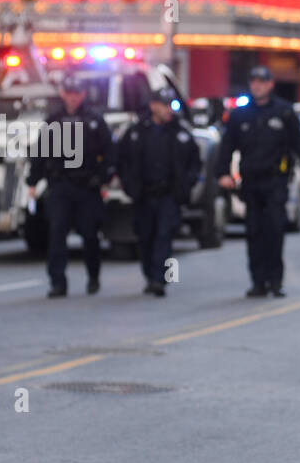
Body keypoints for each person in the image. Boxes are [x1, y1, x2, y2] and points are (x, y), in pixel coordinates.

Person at [216, 66, 300, 298]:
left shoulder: (284, 112)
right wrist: (223, 173)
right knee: (253, 232)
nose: (257, 85)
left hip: (275, 181)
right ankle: (258, 282)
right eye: (253, 81)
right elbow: (227, 145)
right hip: (250, 182)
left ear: (270, 84)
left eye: (261, 81)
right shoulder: (240, 115)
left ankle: (275, 281)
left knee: (275, 230)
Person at [26, 75, 113, 297]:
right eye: (69, 94)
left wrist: (103, 177)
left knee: (89, 234)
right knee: (56, 233)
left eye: (77, 94)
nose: (73, 98)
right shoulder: (53, 120)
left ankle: (93, 276)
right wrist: (33, 181)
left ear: (83, 95)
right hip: (60, 184)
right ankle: (57, 282)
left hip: (86, 185)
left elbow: (110, 153)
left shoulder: (94, 120)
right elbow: (40, 152)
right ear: (63, 94)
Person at [117, 88, 200, 297]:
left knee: (165, 235)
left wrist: (185, 185)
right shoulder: (137, 131)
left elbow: (194, 162)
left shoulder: (179, 132)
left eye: (170, 105)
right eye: (164, 105)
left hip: (168, 194)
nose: (168, 110)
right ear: (154, 106)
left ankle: (161, 279)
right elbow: (122, 160)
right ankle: (150, 275)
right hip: (144, 194)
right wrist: (129, 185)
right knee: (146, 236)